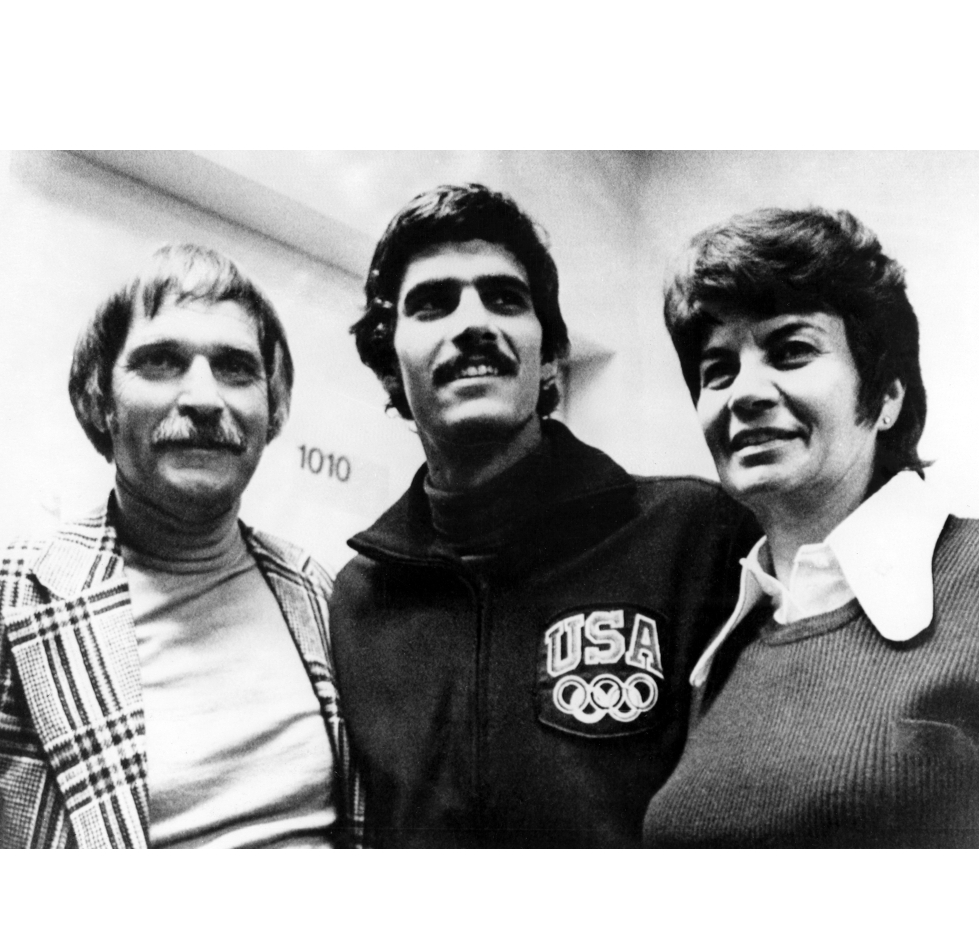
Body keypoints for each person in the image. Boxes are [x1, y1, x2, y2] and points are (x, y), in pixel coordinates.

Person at [331, 182, 754, 847]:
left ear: (549, 353)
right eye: (433, 303)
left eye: (505, 298)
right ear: (390, 364)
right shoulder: (360, 599)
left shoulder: (695, 534)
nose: (473, 322)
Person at [644, 206, 979, 848]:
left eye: (792, 350)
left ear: (887, 395)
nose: (743, 394)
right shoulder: (719, 653)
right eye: (717, 370)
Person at [0, 244, 362, 848]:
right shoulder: (15, 595)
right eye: (161, 362)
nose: (202, 398)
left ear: (273, 409)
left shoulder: (319, 591)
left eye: (235, 368)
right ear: (99, 400)